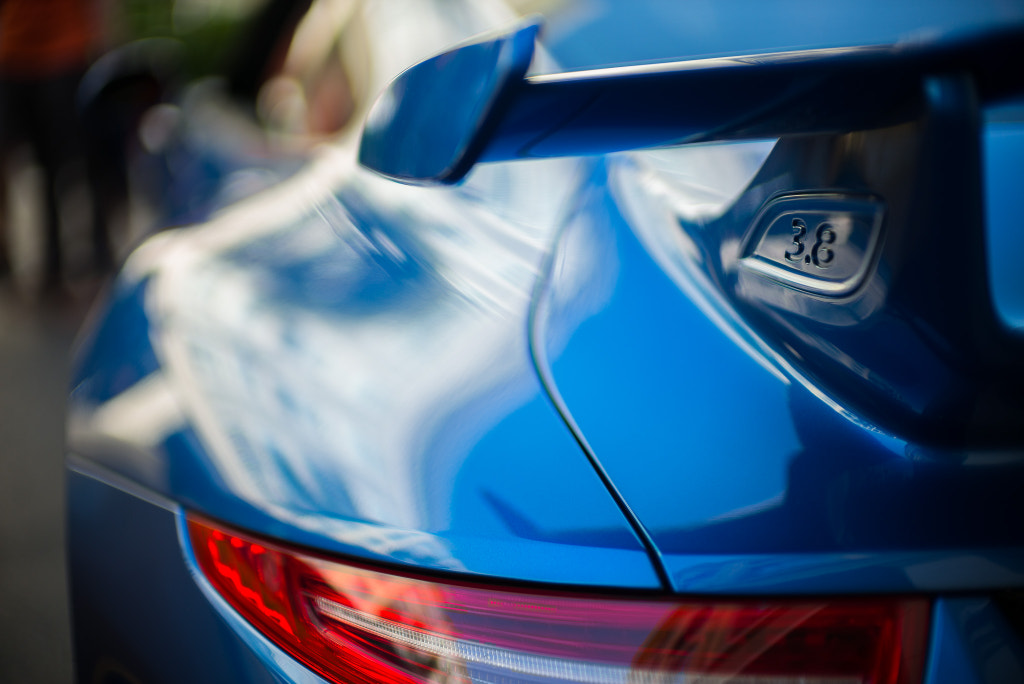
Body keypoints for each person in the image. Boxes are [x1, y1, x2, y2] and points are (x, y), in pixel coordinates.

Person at [0, 0, 106, 292]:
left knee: (64, 165)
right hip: (12, 56)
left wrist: (101, 44)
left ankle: (66, 261)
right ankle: (33, 263)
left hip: (64, 55)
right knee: (25, 164)